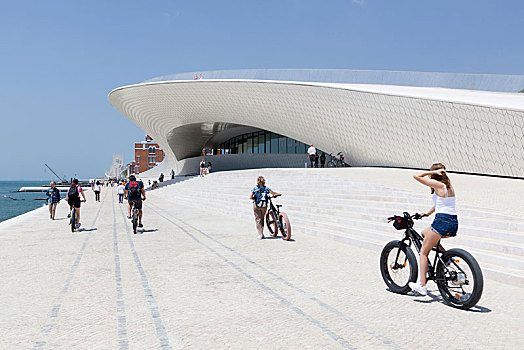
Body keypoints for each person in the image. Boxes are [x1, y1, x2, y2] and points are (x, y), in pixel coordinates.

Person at [409, 163, 458, 296]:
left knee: (423, 252)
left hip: (442, 221)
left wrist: (431, 173)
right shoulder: (448, 187)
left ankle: (422, 285)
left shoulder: (438, 185)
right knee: (425, 233)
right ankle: (446, 257)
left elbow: (416, 175)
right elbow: (441, 204)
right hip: (452, 222)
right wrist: (428, 213)